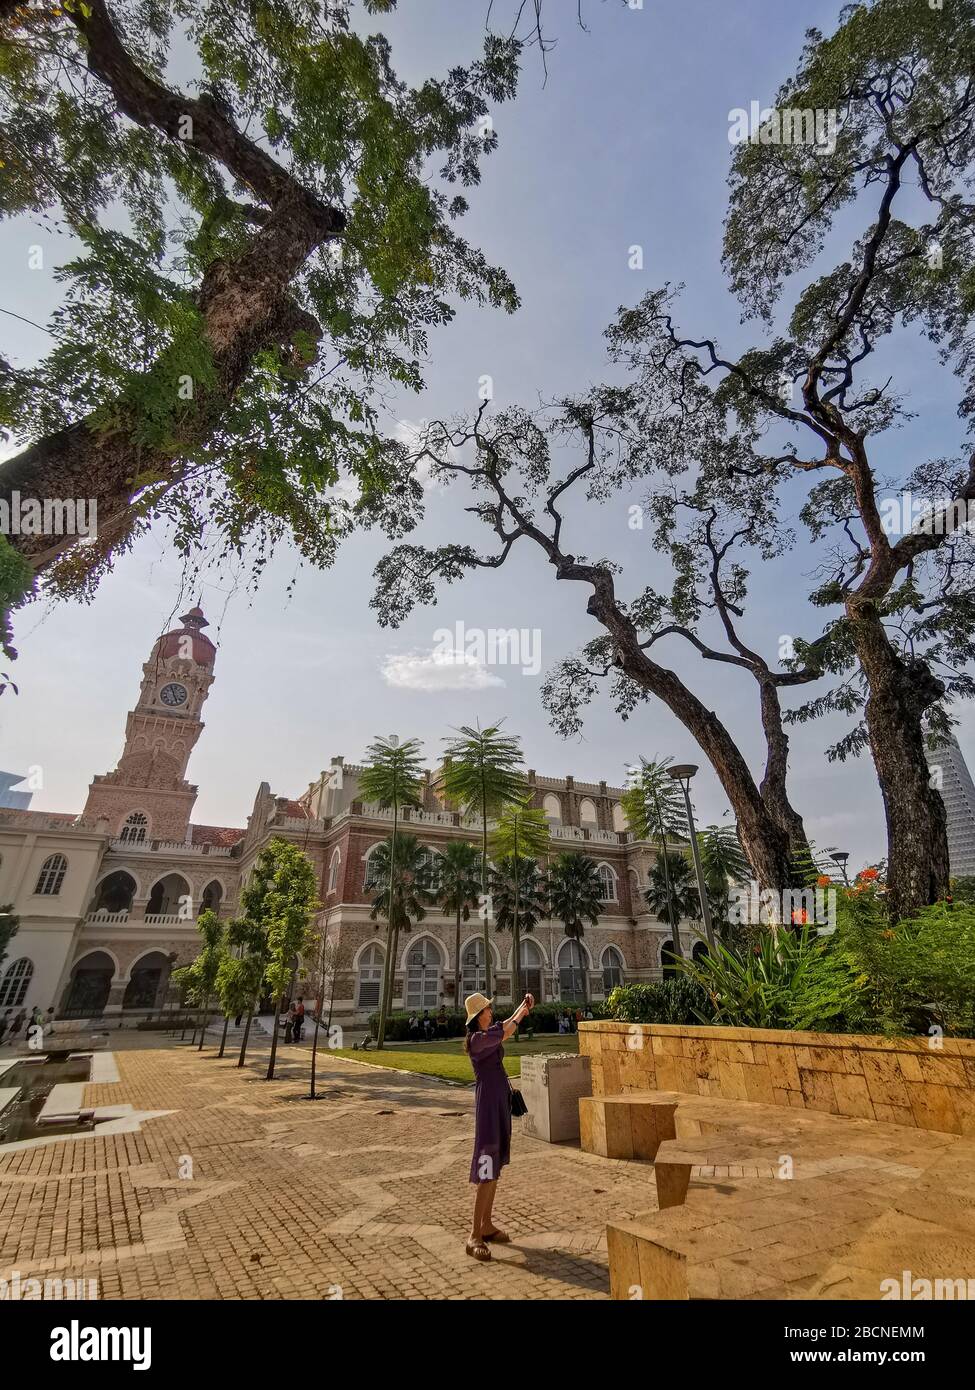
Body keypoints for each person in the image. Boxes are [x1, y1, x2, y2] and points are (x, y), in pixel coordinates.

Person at [463, 989, 533, 1261]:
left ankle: (487, 1224)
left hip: (499, 1101)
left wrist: (522, 1007)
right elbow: (504, 1032)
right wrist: (520, 1014)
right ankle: (473, 1235)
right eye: (487, 1009)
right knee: (486, 1165)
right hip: (488, 1105)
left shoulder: (488, 1031)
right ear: (478, 1016)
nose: (491, 1012)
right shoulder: (476, 1041)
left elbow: (504, 1028)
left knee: (495, 1164)